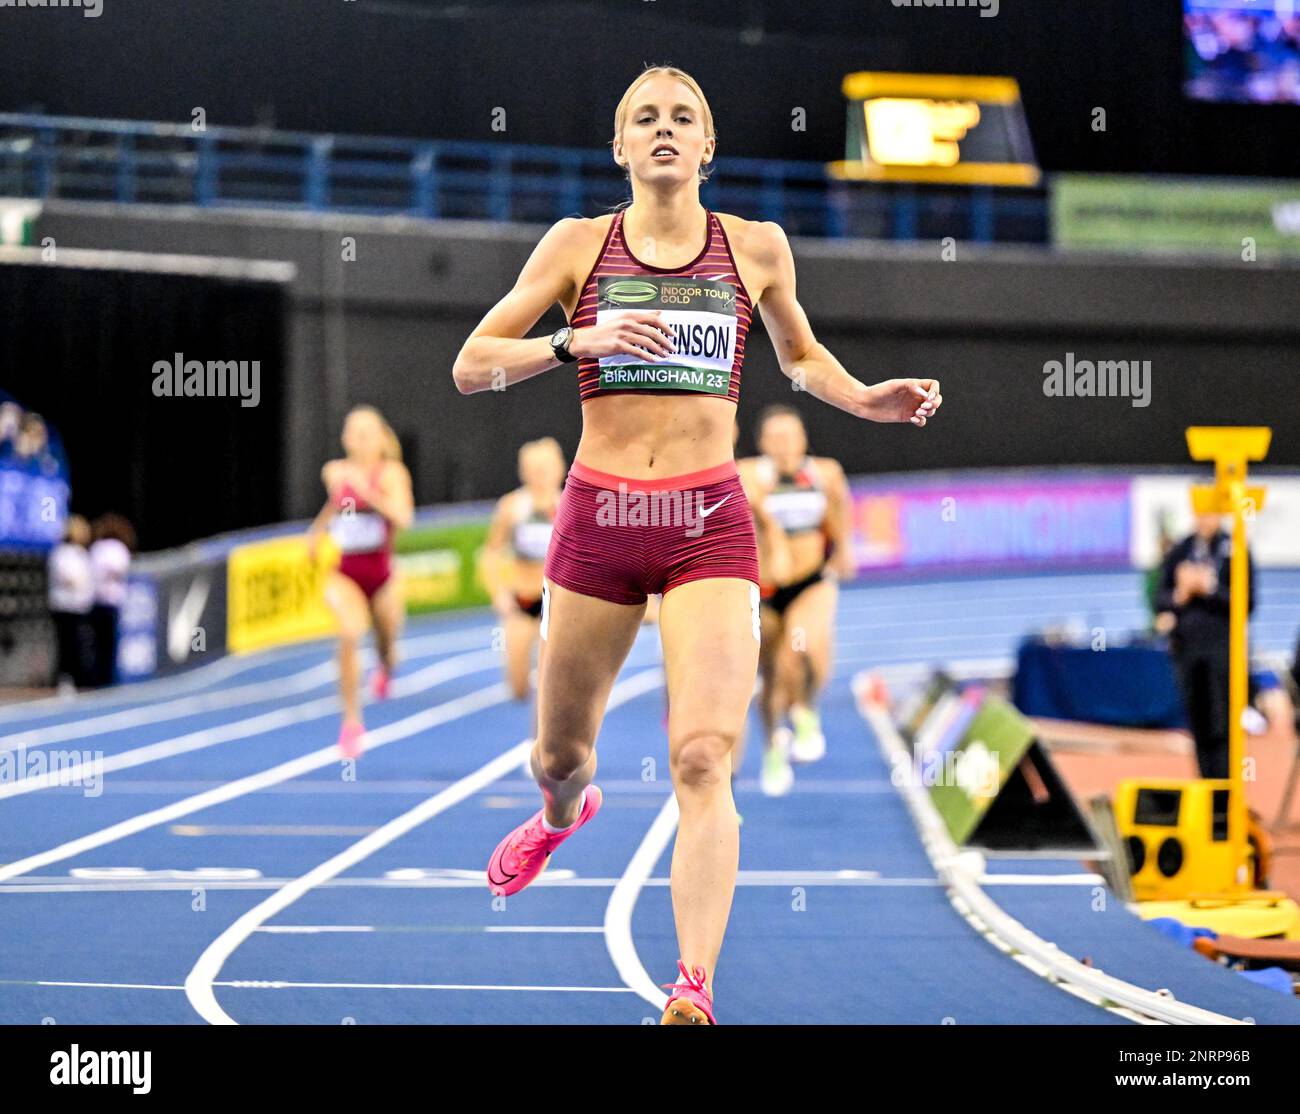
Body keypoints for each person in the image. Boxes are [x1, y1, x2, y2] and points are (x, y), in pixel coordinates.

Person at [453, 64, 942, 1024]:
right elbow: (472, 366)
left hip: (705, 523)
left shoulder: (756, 247)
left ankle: (692, 988)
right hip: (600, 519)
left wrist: (867, 399)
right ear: (622, 148)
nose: (665, 128)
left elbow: (799, 356)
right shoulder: (576, 246)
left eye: (684, 116)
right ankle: (563, 816)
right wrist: (575, 345)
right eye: (646, 117)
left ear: (709, 147)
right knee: (560, 755)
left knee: (703, 756)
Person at [738, 404, 854, 796]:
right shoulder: (750, 474)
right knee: (770, 678)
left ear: (804, 439)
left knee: (800, 646)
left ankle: (805, 712)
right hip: (766, 590)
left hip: (811, 582)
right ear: (762, 443)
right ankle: (773, 746)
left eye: (792, 436)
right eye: (776, 437)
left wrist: (842, 554)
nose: (785, 445)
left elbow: (838, 517)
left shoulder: (826, 472)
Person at [307, 406, 414, 758]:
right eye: (353, 433)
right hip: (345, 574)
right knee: (350, 632)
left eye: (367, 433)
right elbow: (338, 504)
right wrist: (316, 532)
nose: (360, 440)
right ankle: (352, 723)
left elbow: (404, 518)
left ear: (381, 438)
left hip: (382, 575)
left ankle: (384, 668)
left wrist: (369, 494)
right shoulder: (335, 471)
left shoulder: (393, 474)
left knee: (386, 643)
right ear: (345, 439)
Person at [1155, 512, 1256, 780]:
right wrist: (1182, 593)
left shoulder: (1234, 549)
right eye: (1199, 513)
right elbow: (1160, 599)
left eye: (1210, 513)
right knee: (1199, 725)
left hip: (1222, 651)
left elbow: (1247, 603)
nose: (1204, 520)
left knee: (1222, 723)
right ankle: (1208, 791)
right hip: (1187, 651)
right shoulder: (1182, 549)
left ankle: (1226, 795)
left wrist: (1208, 588)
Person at [482, 437, 566, 704]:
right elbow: (491, 553)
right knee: (518, 687)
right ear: (523, 471)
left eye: (545, 469)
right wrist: (499, 593)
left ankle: (545, 740)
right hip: (522, 598)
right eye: (533, 469)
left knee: (551, 683)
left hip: (557, 603)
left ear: (560, 469)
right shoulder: (512, 507)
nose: (539, 476)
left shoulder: (569, 506)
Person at [87, 513, 136, 687]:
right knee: (109, 643)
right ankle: (107, 677)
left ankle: (97, 677)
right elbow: (122, 571)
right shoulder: (118, 548)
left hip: (96, 601)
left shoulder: (97, 548)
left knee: (97, 643)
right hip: (111, 601)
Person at [48, 514, 95, 690]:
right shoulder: (62, 552)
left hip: (80, 606)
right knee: (67, 645)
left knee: (80, 645)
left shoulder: (81, 553)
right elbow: (69, 578)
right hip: (65, 606)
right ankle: (65, 679)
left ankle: (80, 678)